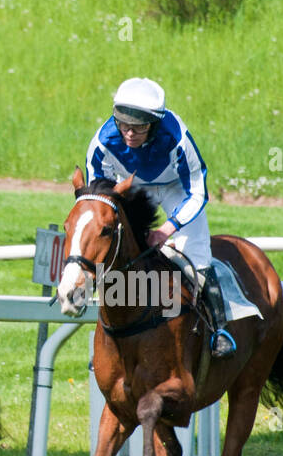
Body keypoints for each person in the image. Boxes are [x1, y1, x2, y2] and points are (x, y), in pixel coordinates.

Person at [84, 77, 235, 359]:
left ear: (154, 123)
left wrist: (168, 228)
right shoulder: (103, 141)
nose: (129, 134)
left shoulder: (176, 137)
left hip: (177, 189)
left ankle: (219, 330)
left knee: (197, 257)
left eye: (139, 127)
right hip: (133, 186)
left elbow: (199, 192)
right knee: (114, 252)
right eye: (124, 125)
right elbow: (97, 196)